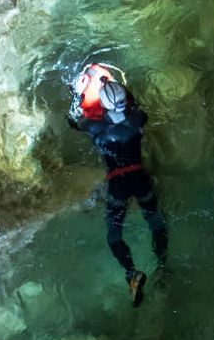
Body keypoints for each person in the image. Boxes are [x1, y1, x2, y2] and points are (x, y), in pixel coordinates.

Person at [69, 74, 168, 305]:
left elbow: (72, 120)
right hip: (140, 178)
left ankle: (131, 272)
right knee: (156, 223)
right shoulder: (138, 119)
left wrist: (78, 93)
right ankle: (163, 265)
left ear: (103, 105)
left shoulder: (95, 127)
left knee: (114, 235)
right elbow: (136, 107)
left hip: (117, 184)